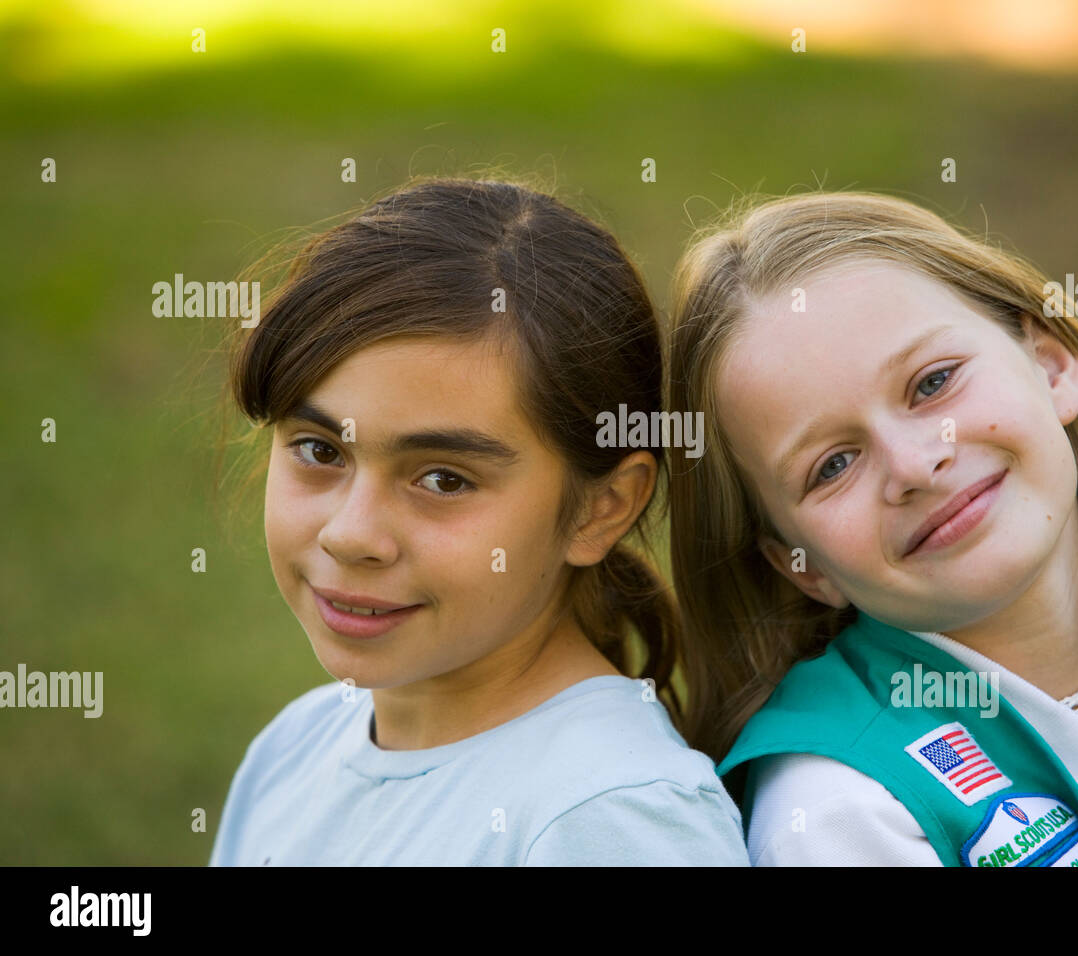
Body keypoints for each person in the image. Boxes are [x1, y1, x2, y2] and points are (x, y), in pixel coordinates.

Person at [663, 190, 1078, 866]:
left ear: (1052, 367)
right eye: (834, 465)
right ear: (803, 565)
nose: (915, 464)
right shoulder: (842, 814)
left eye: (932, 383)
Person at [208, 175, 749, 866]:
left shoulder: (611, 821)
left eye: (444, 479)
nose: (349, 533)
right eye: (321, 451)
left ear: (600, 507)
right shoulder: (293, 749)